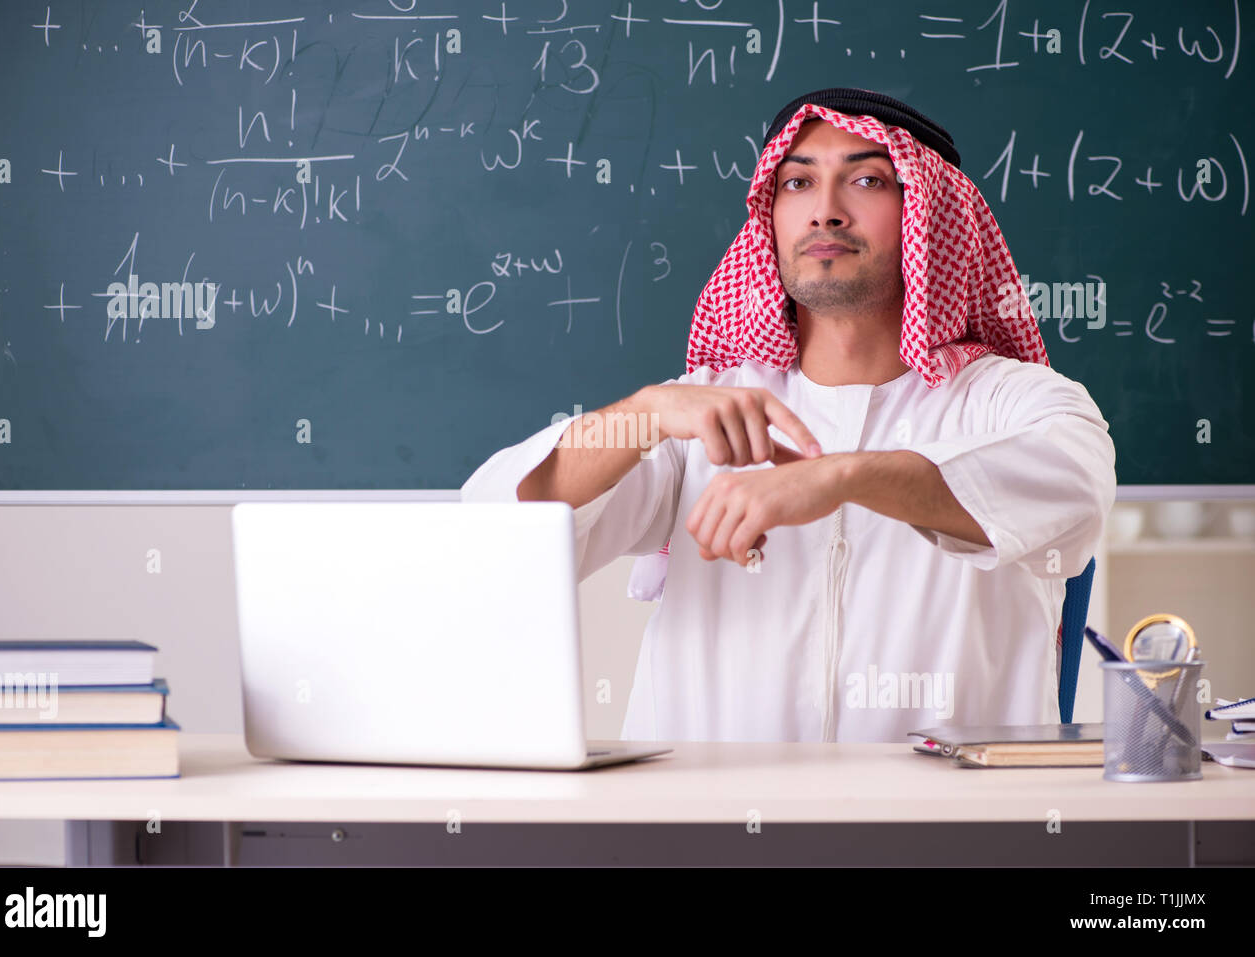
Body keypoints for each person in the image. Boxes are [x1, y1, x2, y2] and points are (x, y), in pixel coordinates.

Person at [461, 88, 1117, 743]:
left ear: (930, 214)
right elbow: (496, 529)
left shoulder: (1017, 402)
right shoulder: (704, 414)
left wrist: (837, 478)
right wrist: (645, 412)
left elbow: (1075, 493)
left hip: (938, 835)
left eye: (865, 179)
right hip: (702, 834)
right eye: (798, 183)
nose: (825, 211)